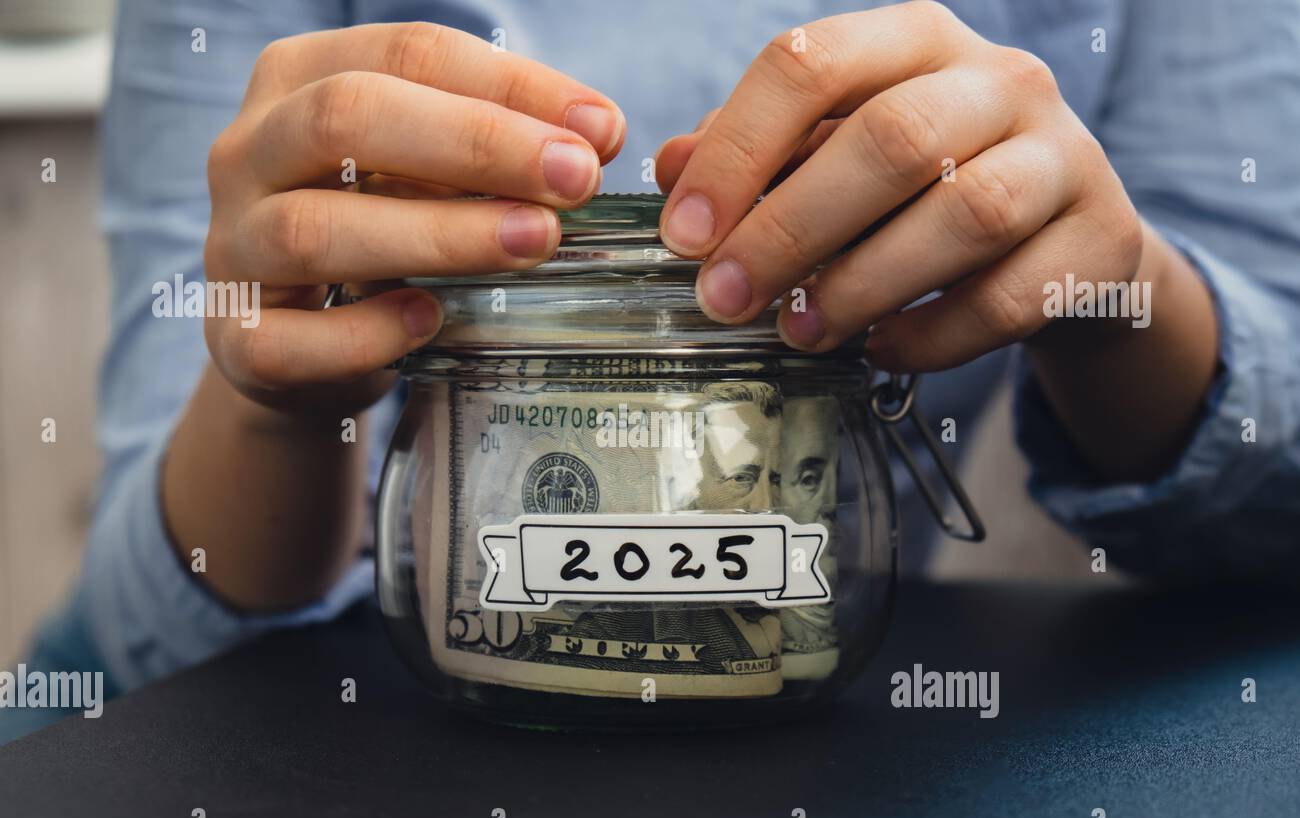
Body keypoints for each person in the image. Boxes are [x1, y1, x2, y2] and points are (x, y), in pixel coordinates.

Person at [5, 0, 1298, 744]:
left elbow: (1271, 491)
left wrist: (1104, 290)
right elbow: (156, 616)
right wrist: (271, 394)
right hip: (244, 734)